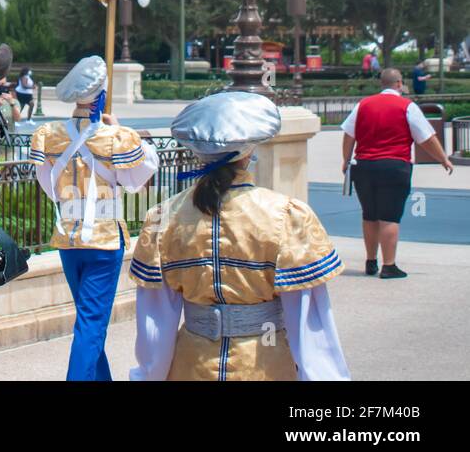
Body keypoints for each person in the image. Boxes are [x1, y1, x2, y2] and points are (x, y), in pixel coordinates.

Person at [130, 91, 350, 381]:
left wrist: (146, 377)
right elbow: (309, 324)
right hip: (266, 367)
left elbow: (156, 322)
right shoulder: (287, 215)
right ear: (249, 152)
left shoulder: (163, 218)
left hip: (190, 367)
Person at [30, 56, 159, 380]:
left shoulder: (48, 134)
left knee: (90, 321)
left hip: (68, 241)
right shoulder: (116, 138)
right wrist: (118, 133)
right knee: (91, 323)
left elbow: (49, 188)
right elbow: (137, 180)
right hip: (103, 242)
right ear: (100, 95)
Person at [341, 67, 454, 278]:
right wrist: (443, 159)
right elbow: (427, 138)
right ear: (399, 84)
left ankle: (370, 261)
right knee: (389, 216)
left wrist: (346, 160)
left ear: (381, 84)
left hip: (363, 166)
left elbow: (348, 134)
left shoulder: (363, 105)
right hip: (394, 166)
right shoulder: (407, 106)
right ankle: (389, 266)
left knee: (369, 215)